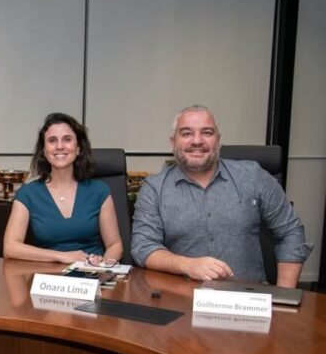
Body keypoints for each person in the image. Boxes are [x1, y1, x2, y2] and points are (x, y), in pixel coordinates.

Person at [131, 104, 312, 287]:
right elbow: (143, 247)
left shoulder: (253, 176)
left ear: (218, 141)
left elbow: (291, 232)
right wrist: (188, 265)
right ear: (173, 142)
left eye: (207, 133)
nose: (197, 141)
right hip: (182, 296)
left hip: (249, 297)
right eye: (186, 133)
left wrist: (283, 295)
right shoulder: (154, 188)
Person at [3, 113, 123, 264]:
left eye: (67, 139)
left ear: (78, 148)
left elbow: (115, 245)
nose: (60, 146)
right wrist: (61, 256)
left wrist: (104, 264)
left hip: (91, 272)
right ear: (44, 150)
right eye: (52, 140)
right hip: (47, 275)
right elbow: (10, 248)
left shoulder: (100, 191)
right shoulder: (27, 194)